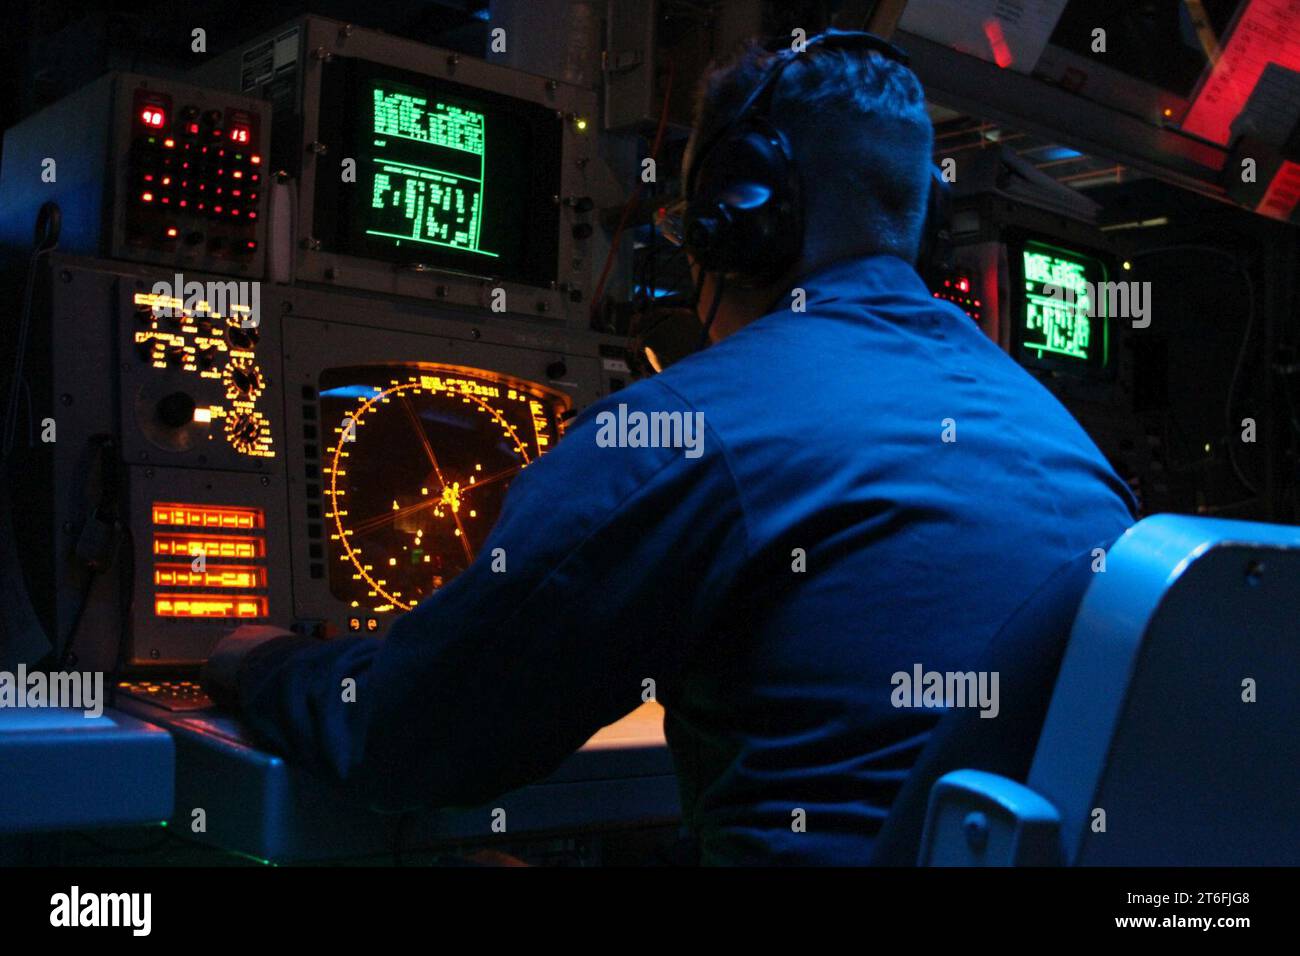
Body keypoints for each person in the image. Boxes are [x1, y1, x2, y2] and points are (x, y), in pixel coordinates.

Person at [205, 31, 1136, 865]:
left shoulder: (692, 429)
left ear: (740, 216)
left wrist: (262, 661)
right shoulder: (1062, 439)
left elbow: (408, 739)